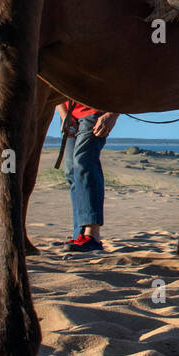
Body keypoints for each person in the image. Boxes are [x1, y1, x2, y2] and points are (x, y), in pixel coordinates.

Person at [57, 100, 120, 253]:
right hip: (69, 114)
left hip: (95, 112)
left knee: (84, 163)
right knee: (71, 171)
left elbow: (125, 80)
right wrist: (64, 114)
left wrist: (112, 115)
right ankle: (79, 234)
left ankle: (92, 235)